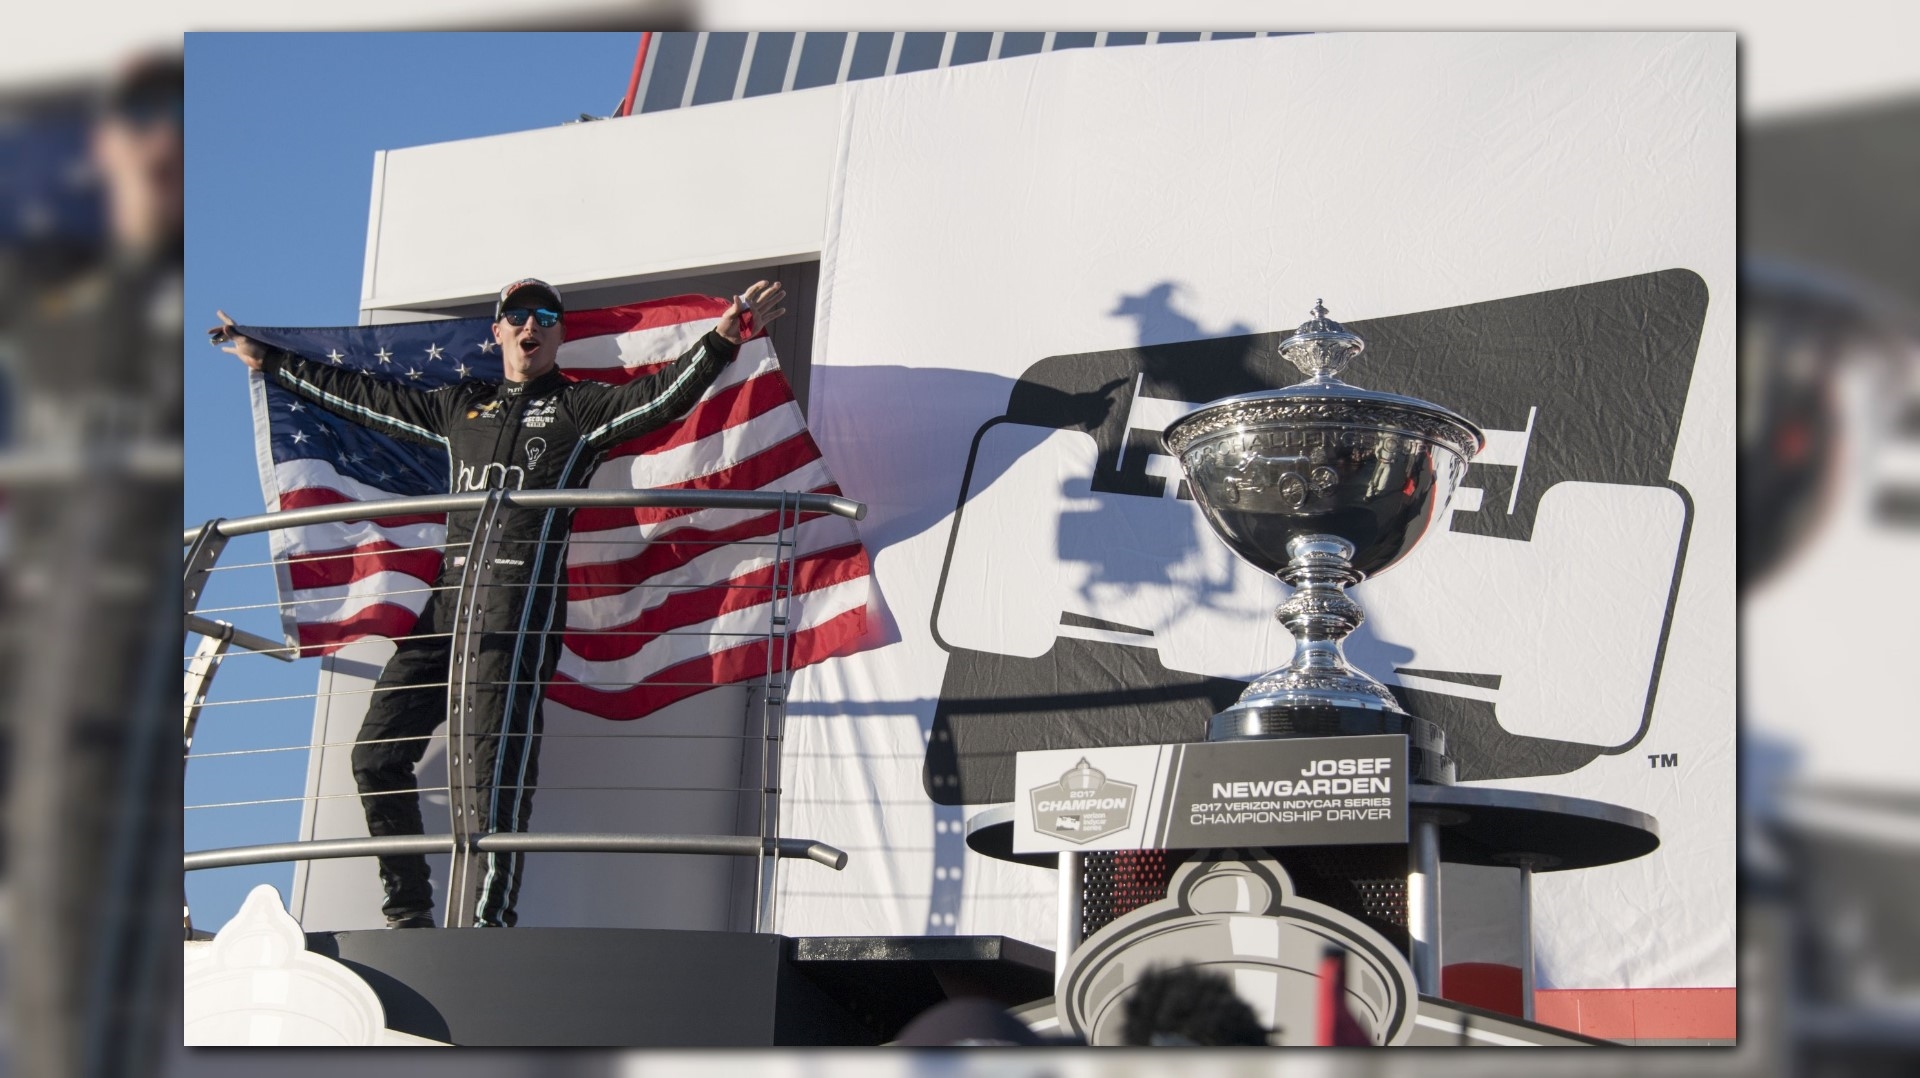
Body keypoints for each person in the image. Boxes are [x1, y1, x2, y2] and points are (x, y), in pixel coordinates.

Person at [212, 276, 786, 928]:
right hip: (447, 608)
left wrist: (720, 341)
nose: (529, 324)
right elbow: (365, 399)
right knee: (374, 756)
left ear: (559, 334)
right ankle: (408, 909)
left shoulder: (579, 408)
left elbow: (658, 400)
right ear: (499, 331)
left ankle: (491, 921)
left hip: (519, 607)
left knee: (494, 768)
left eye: (544, 315)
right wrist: (271, 361)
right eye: (516, 315)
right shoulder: (462, 405)